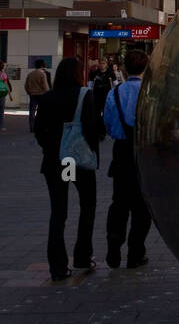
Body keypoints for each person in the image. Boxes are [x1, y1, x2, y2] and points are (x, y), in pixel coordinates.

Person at [34, 57, 103, 281]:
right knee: (88, 205)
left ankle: (58, 266)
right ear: (77, 73)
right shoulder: (85, 95)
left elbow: (39, 130)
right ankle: (82, 254)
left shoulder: (47, 98)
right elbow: (93, 129)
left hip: (55, 162)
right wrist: (91, 149)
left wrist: (51, 148)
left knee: (59, 212)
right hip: (77, 162)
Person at [103, 48, 152, 269]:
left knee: (119, 203)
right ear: (146, 67)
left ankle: (114, 241)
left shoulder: (114, 93)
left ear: (124, 67)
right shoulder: (150, 93)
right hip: (144, 153)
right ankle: (136, 252)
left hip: (121, 152)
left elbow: (109, 126)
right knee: (142, 207)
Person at [25, 60, 51, 134]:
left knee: (32, 112)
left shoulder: (30, 74)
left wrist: (29, 92)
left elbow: (26, 86)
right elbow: (45, 86)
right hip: (42, 95)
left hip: (33, 95)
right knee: (42, 111)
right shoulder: (42, 74)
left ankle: (32, 127)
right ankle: (41, 126)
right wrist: (48, 94)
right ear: (42, 66)